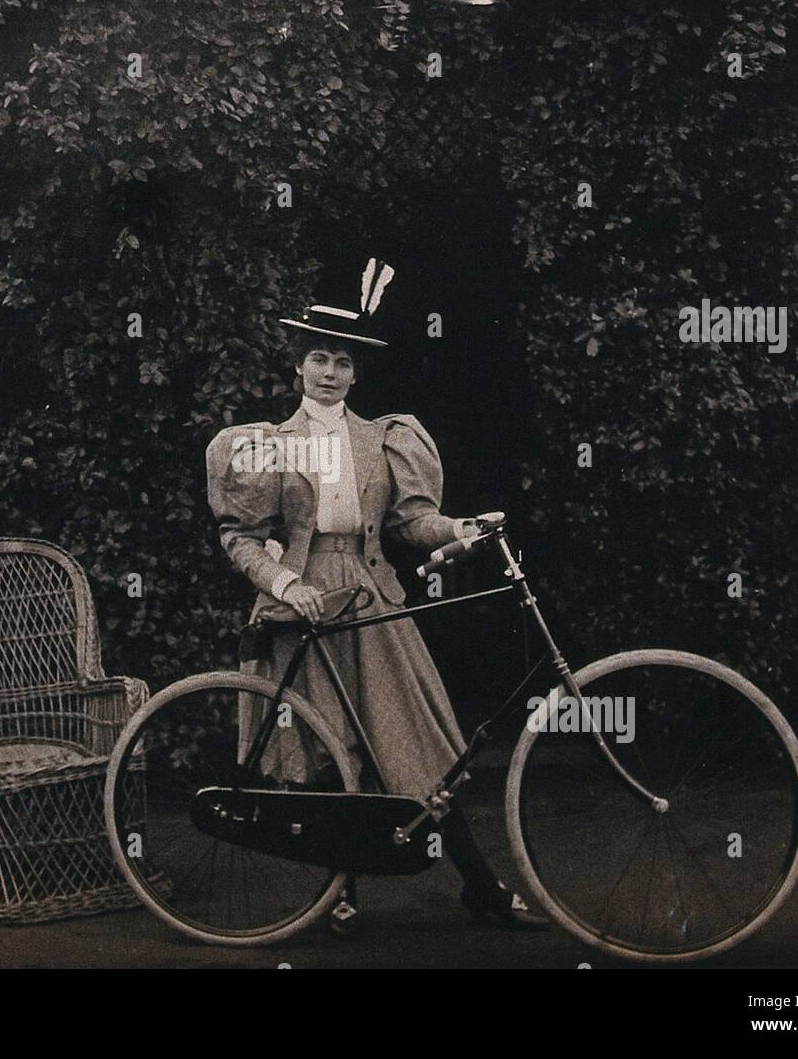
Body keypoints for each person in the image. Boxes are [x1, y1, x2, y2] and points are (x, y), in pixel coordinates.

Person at [204, 258, 548, 938]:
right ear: (298, 367)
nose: (330, 372)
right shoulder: (266, 447)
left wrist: (460, 529)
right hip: (306, 602)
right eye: (318, 359)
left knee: (416, 746)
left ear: (357, 373)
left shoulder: (383, 439)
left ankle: (481, 886)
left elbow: (413, 524)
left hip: (371, 601)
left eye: (342, 362)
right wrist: (286, 583)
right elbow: (239, 537)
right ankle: (341, 894)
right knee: (336, 755)